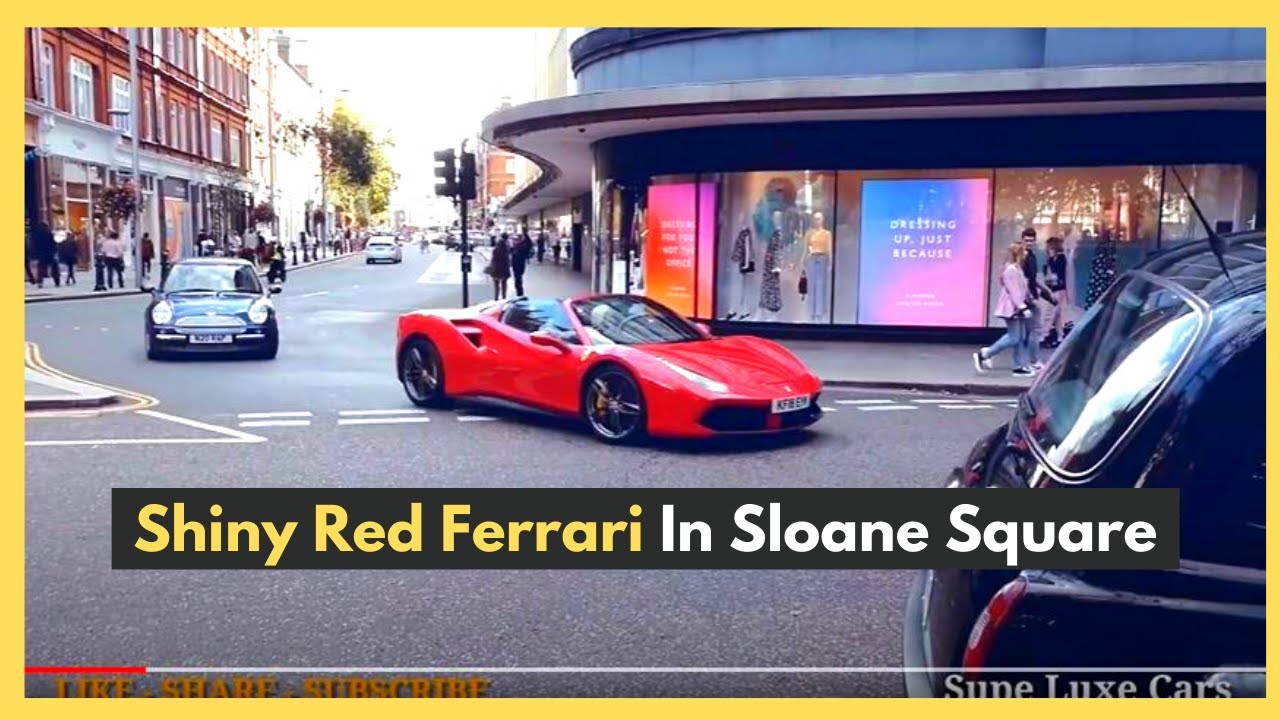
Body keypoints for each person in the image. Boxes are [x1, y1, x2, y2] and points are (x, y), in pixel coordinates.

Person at [974, 243, 1035, 377]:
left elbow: (1022, 288)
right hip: (1012, 307)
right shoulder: (1011, 270)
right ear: (1018, 254)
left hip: (1017, 306)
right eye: (1023, 251)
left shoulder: (1016, 269)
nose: (1026, 254)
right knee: (1014, 338)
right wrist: (1023, 307)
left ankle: (1020, 366)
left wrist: (1029, 299)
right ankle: (986, 353)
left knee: (1019, 337)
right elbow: (1014, 291)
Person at [1018, 227, 1054, 371]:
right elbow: (1023, 280)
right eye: (1026, 240)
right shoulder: (1022, 257)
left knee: (1019, 333)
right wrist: (1031, 297)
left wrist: (1044, 289)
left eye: (1031, 241)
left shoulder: (1031, 256)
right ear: (1022, 240)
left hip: (1029, 296)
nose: (1029, 243)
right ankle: (1034, 360)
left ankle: (987, 354)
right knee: (1035, 329)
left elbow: (1031, 279)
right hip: (1027, 297)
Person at [1041, 236, 1069, 349]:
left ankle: (1043, 336)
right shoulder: (1052, 259)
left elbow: (1059, 274)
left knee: (1050, 312)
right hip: (1054, 288)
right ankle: (1060, 337)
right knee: (1057, 315)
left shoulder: (1061, 258)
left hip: (1059, 289)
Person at [32, 221, 59, 288]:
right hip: (49, 253)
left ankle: (40, 282)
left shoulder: (37, 234)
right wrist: (54, 251)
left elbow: (35, 245)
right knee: (54, 267)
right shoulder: (48, 233)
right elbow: (53, 243)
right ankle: (56, 280)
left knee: (41, 268)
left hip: (41, 254)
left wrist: (36, 254)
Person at [487, 235, 512, 301]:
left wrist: (491, 266)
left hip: (496, 269)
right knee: (504, 283)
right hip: (504, 269)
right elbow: (508, 260)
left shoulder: (495, 250)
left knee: (496, 284)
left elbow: (493, 259)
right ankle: (504, 297)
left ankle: (496, 297)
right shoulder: (506, 250)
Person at [510, 231, 531, 297]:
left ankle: (519, 293)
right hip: (519, 264)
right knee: (518, 278)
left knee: (518, 278)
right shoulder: (520, 246)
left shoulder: (520, 246)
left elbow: (528, 242)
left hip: (517, 264)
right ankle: (519, 292)